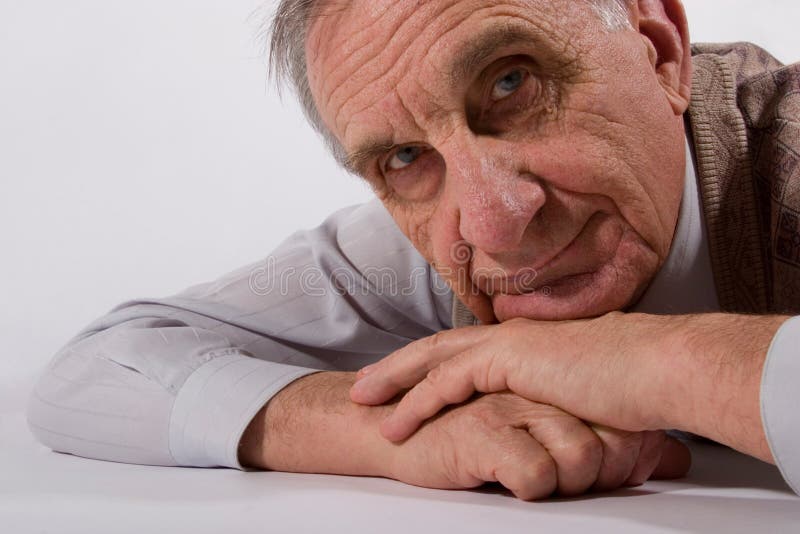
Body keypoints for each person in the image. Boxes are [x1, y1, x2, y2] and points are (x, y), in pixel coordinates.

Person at [27, 0, 800, 500]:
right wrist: (385, 432)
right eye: (402, 158)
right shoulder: (424, 252)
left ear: (659, 49)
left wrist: (669, 363)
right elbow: (97, 369)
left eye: (511, 84)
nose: (494, 227)